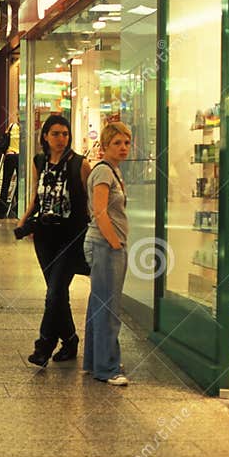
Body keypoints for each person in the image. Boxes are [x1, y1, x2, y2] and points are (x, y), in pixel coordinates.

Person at [18, 115, 92, 368]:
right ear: (45, 136)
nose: (61, 139)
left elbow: (91, 201)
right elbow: (37, 196)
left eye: (65, 134)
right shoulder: (39, 161)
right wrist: (25, 220)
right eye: (56, 134)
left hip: (71, 235)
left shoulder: (81, 164)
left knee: (54, 294)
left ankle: (44, 346)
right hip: (45, 236)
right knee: (57, 293)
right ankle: (70, 340)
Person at [83, 121, 132, 386]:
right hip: (105, 245)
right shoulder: (103, 173)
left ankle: (94, 362)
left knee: (98, 305)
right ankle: (107, 367)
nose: (123, 147)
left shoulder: (112, 172)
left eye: (126, 142)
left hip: (106, 244)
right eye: (117, 143)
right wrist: (114, 242)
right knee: (108, 308)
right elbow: (99, 211)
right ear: (104, 147)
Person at [0, 115, 21, 219]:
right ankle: (18, 208)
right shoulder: (23, 128)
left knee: (6, 183)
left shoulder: (11, 126)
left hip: (10, 155)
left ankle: (1, 211)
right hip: (18, 157)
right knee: (19, 184)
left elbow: (4, 138)